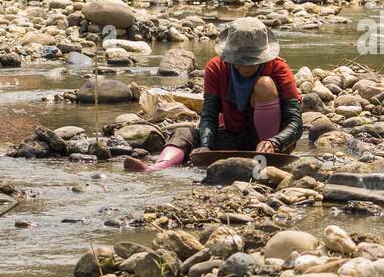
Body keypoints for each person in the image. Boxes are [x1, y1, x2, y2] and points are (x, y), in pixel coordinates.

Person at [124, 17, 303, 171]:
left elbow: (295, 122)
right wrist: (207, 146)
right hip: (230, 136)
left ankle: (266, 161)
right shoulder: (216, 67)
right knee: (184, 133)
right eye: (239, 61)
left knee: (265, 85)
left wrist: (275, 142)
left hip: (268, 144)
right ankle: (156, 168)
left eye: (252, 61)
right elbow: (209, 114)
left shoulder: (279, 69)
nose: (244, 66)